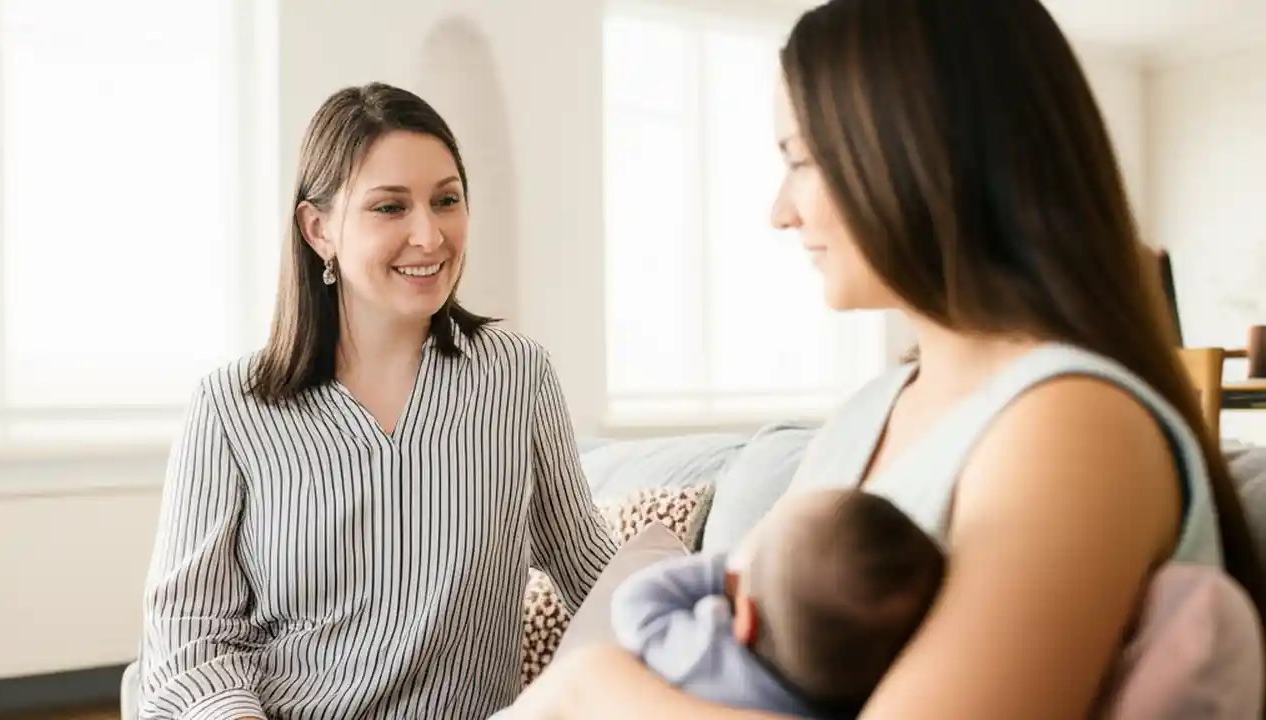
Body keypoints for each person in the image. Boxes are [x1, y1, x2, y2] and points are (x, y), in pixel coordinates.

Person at [506, 0, 1266, 717]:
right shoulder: (875, 407)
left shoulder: (1074, 429)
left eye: (800, 161)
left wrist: (587, 689)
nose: (780, 211)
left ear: (919, 153)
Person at [136, 82, 616, 719]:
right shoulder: (230, 406)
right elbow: (189, 634)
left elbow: (588, 566)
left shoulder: (518, 375)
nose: (429, 235)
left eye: (446, 200)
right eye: (390, 208)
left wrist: (713, 620)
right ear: (318, 229)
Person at [612, 490, 944, 717]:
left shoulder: (704, 654)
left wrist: (729, 569)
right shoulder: (852, 706)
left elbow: (636, 600)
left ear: (747, 620)